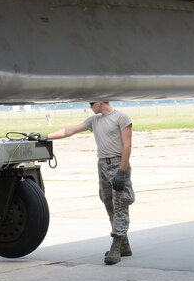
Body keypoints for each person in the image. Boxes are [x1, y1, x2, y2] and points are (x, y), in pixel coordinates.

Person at [40, 101, 134, 264]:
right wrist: (46, 136)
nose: (90, 106)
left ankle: (116, 247)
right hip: (102, 165)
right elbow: (70, 130)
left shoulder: (122, 117)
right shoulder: (94, 120)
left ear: (101, 101)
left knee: (120, 205)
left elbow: (127, 145)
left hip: (118, 164)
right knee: (109, 204)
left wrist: (121, 170)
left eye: (91, 103)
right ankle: (124, 245)